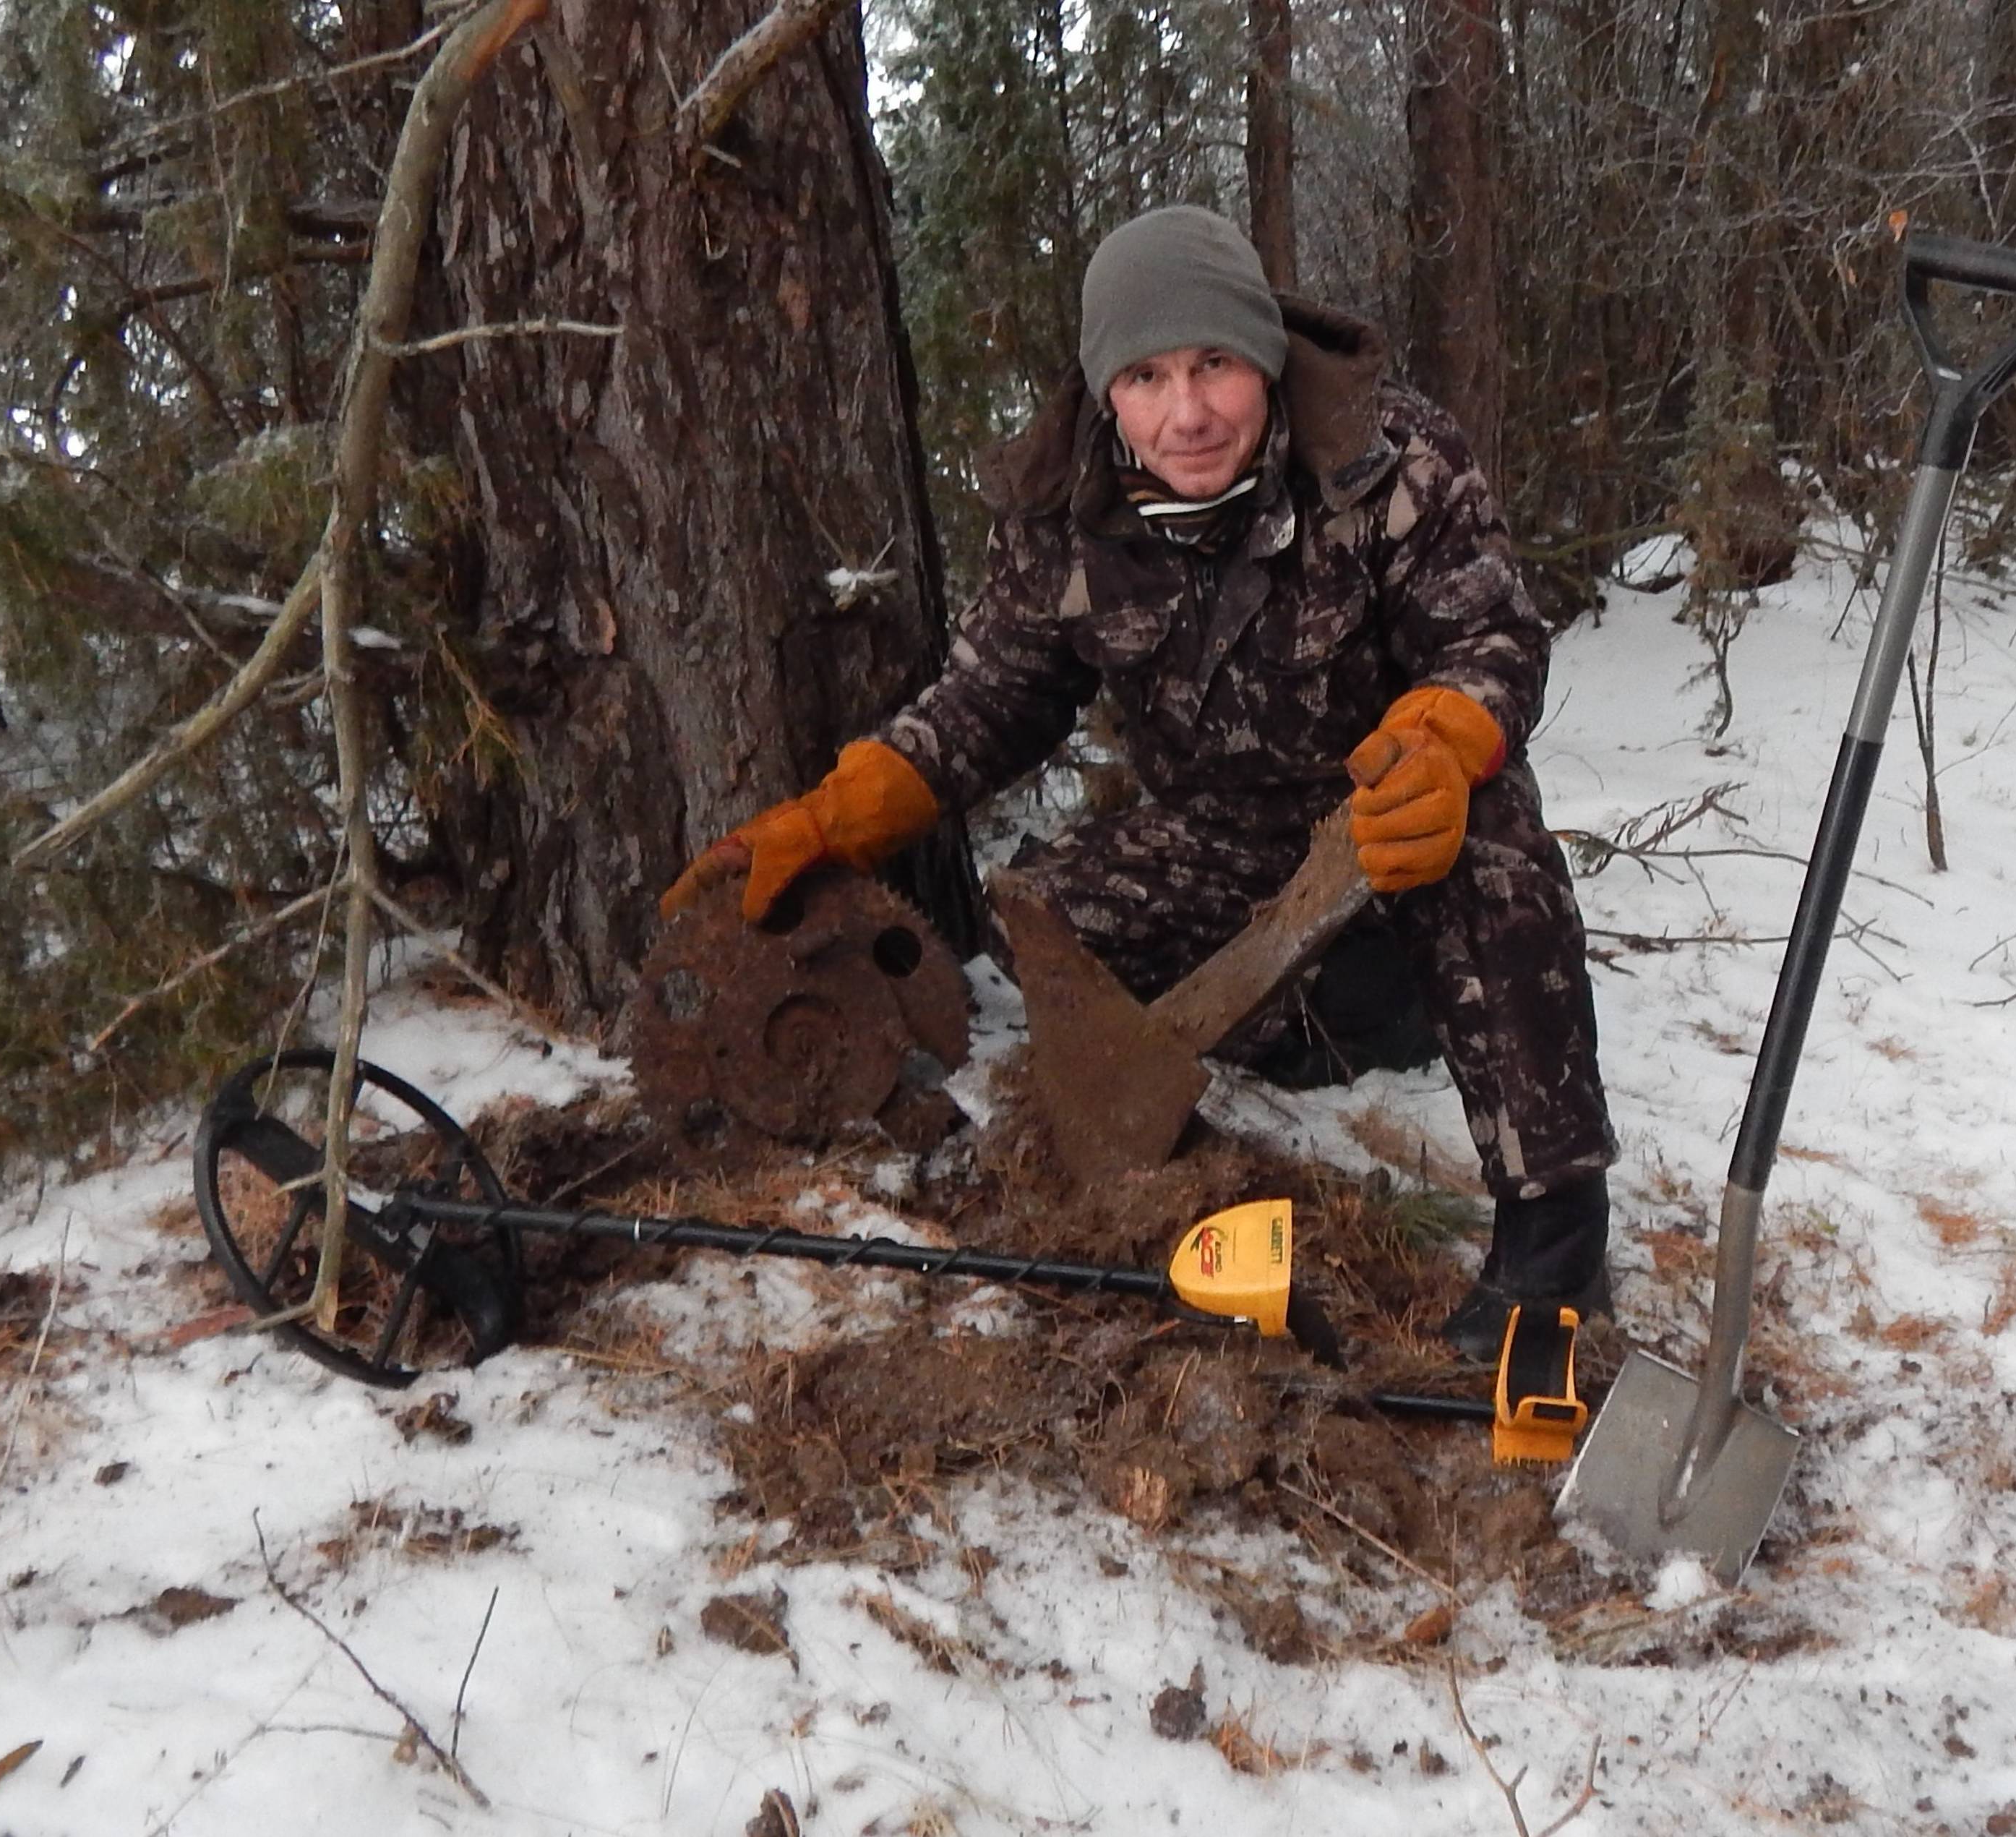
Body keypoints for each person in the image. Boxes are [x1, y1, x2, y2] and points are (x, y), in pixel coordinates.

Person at [663, 205, 1613, 1361]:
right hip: (1222, 836)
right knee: (1052, 921)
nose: (1189, 411)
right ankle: (1351, 1008)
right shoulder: (1067, 507)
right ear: (1105, 388)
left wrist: (1448, 738)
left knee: (1496, 851)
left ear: (1262, 353)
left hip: (1391, 814)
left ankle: (1553, 1240)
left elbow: (1493, 635)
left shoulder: (1389, 456)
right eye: (1148, 374)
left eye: (1215, 363)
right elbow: (990, 698)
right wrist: (843, 812)